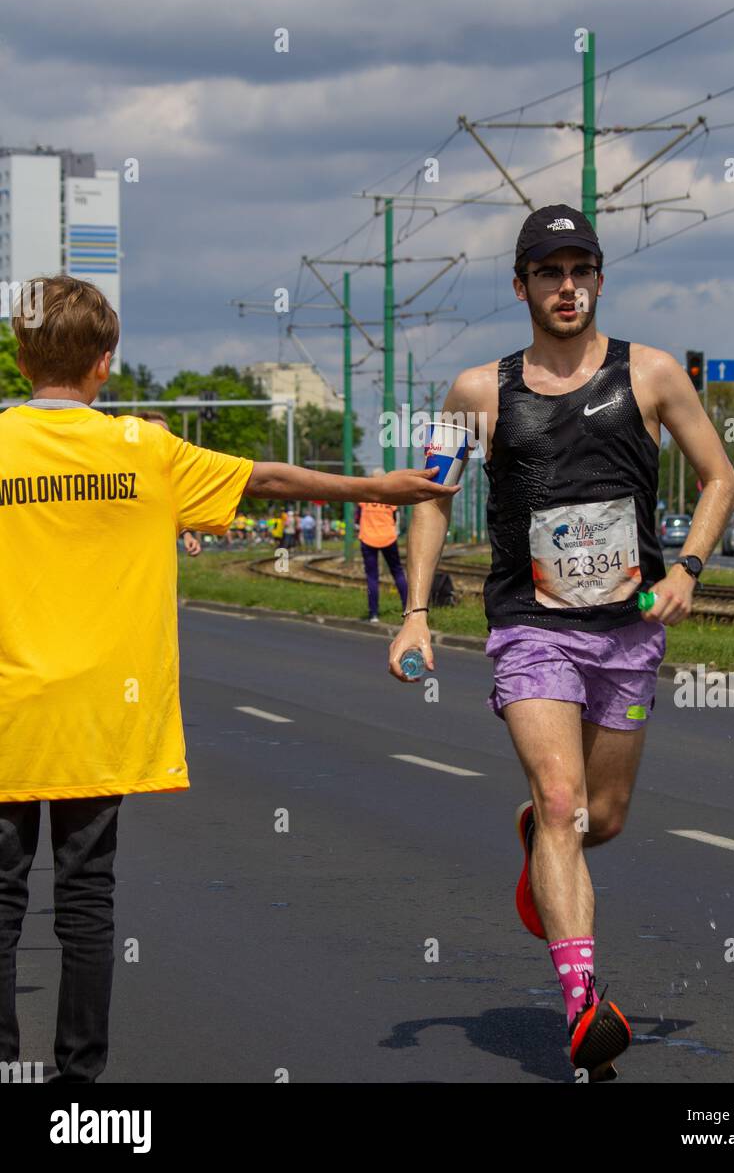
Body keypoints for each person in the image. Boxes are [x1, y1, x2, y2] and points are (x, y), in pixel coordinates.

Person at [0, 274, 460, 1084]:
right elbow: (269, 480)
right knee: (86, 902)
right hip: (105, 714)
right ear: (106, 363)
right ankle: (77, 1085)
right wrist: (375, 488)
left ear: (18, 351)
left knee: (1, 906)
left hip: (7, 713)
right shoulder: (146, 452)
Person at [388, 205, 734, 1082]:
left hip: (626, 631)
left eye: (581, 269)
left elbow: (719, 477)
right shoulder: (479, 391)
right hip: (530, 626)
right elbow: (431, 496)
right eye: (549, 272)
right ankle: (582, 1010)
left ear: (600, 280)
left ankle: (538, 842)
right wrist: (417, 611)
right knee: (558, 798)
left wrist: (688, 565)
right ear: (522, 287)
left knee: (599, 819)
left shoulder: (652, 374)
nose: (567, 286)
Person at [139, 410, 202, 554]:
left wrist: (186, 535)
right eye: (156, 434)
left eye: (167, 435)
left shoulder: (170, 476)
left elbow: (172, 508)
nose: (164, 440)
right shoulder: (119, 471)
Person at [358, 471, 408, 625]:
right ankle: (407, 609)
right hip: (388, 537)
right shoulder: (390, 497)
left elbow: (356, 517)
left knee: (372, 577)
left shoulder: (364, 498)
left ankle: (373, 614)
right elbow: (395, 518)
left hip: (368, 538)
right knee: (398, 572)